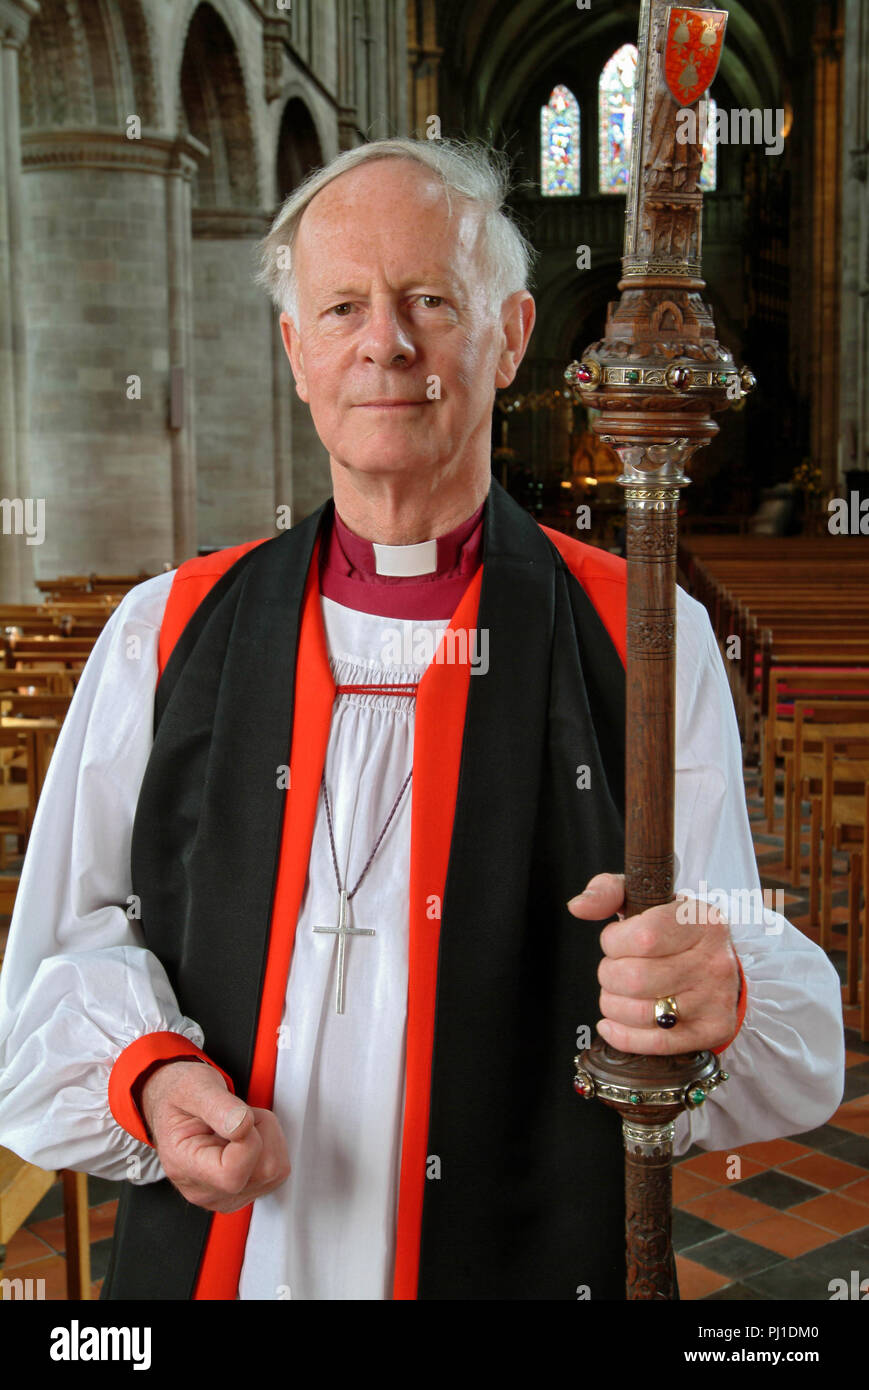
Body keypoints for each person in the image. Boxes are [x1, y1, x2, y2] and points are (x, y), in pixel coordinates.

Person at [0, 137, 843, 1301]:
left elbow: (726, 946)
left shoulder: (639, 635)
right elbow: (62, 951)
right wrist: (146, 1079)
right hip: (229, 1256)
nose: (383, 343)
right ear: (296, 352)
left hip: (515, 1252)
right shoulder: (164, 630)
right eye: (340, 305)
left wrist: (704, 990)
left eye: (429, 301)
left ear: (509, 336)